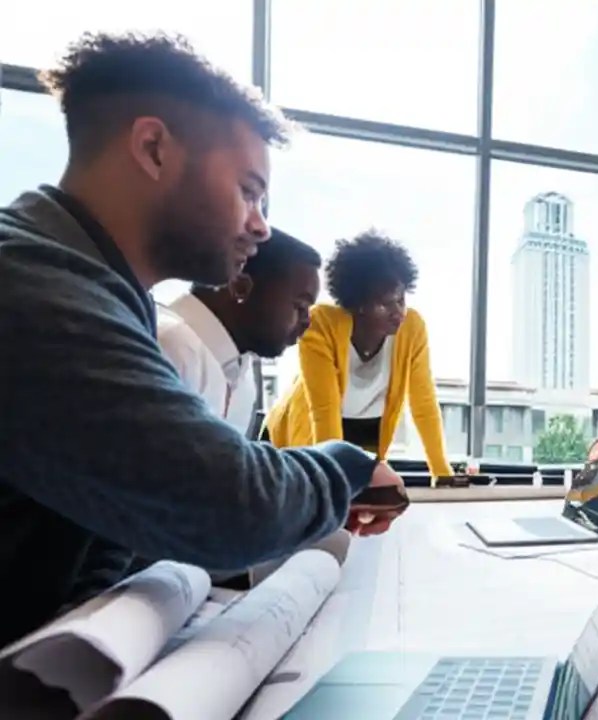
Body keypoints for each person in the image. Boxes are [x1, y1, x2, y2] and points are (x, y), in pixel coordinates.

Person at [0, 32, 406, 647]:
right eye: (248, 189)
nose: (260, 224)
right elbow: (230, 504)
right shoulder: (31, 289)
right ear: (154, 148)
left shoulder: (87, 286)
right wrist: (350, 468)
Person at [265, 230, 453, 480]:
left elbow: (424, 403)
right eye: (386, 303)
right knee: (311, 501)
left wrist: (442, 473)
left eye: (401, 300)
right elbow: (324, 409)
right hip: (305, 429)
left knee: (365, 507)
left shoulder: (412, 328)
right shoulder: (321, 323)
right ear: (360, 305)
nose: (399, 312)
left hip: (367, 430)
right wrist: (331, 481)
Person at [157, 228, 320, 436]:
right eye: (300, 305)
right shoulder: (169, 345)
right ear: (240, 288)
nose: (306, 323)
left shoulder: (241, 374)